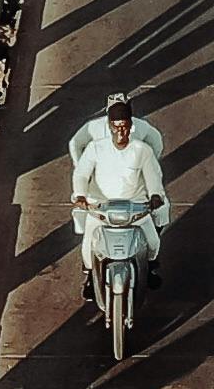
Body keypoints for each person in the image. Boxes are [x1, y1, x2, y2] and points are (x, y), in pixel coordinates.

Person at [69, 93, 168, 300]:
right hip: (99, 207)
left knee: (153, 241)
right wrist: (80, 194)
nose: (120, 131)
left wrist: (156, 195)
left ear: (130, 125)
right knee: (88, 246)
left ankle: (148, 268)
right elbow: (81, 173)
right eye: (116, 126)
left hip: (136, 206)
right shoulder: (96, 147)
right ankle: (89, 277)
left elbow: (152, 177)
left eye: (124, 126)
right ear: (109, 124)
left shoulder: (143, 150)